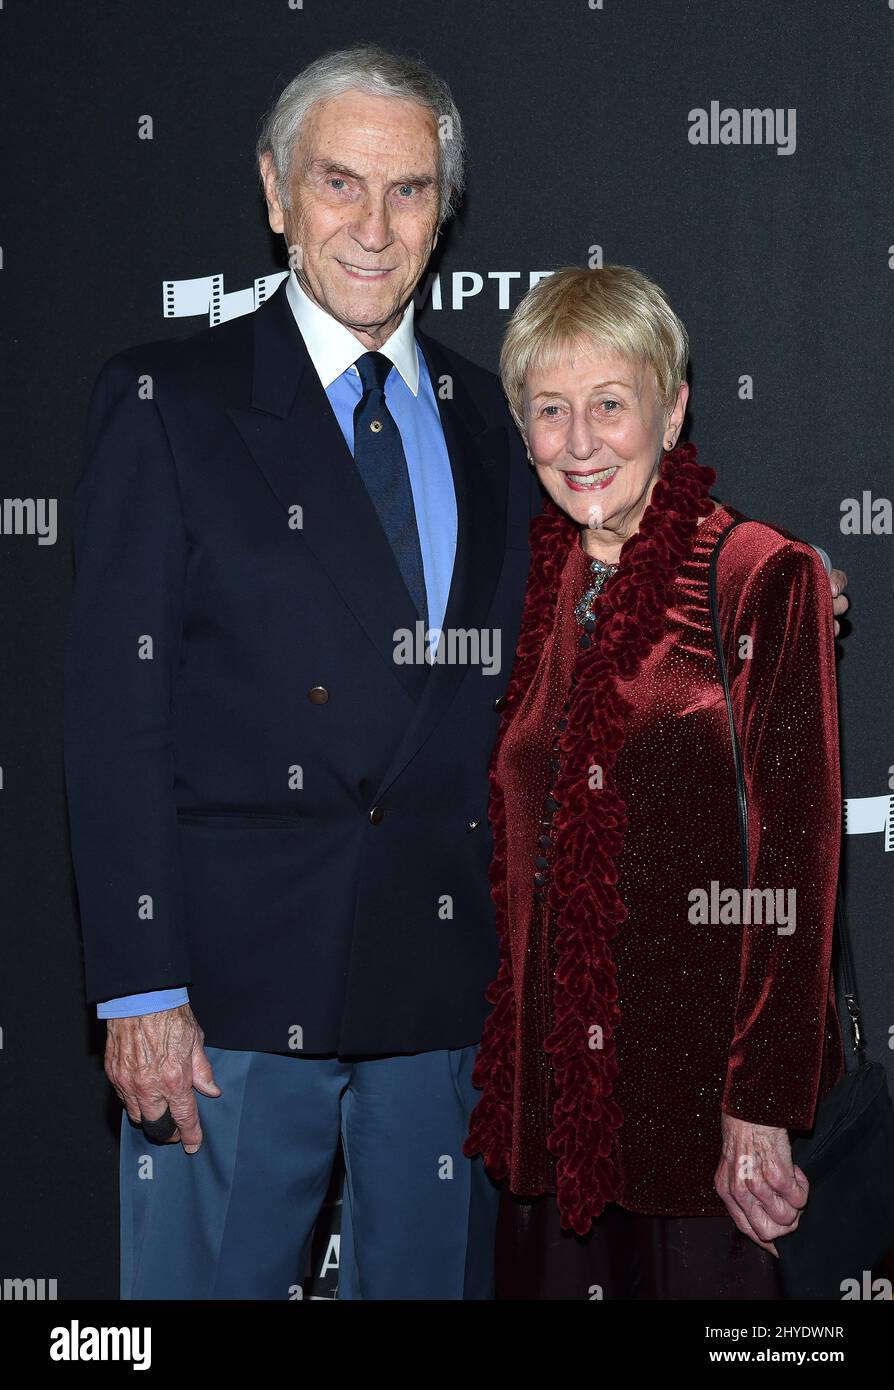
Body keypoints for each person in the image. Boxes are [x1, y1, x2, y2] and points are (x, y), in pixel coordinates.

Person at [63, 46, 849, 1301]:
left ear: (446, 212)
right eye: (340, 183)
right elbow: (113, 715)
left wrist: (773, 573)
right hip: (231, 1009)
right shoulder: (169, 400)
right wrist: (141, 987)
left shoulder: (502, 419)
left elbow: (620, 557)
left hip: (453, 1013)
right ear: (275, 194)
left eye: (412, 190)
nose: (374, 227)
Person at [464, 265, 846, 1301]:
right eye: (550, 409)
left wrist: (759, 1105)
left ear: (671, 409)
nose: (579, 441)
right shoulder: (537, 588)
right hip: (554, 1120)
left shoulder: (758, 574)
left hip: (704, 1136)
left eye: (609, 404)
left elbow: (796, 863)